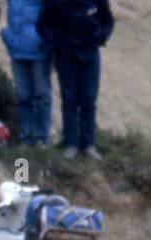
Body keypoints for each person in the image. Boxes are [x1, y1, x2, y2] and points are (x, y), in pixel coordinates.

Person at [38, 0, 113, 159]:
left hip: (90, 53)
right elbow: (43, 24)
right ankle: (71, 144)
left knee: (89, 98)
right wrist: (56, 43)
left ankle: (89, 145)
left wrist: (99, 37)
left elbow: (107, 20)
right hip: (66, 54)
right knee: (69, 98)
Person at [2, 0, 52, 145]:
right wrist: (7, 36)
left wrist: (46, 42)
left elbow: (51, 14)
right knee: (23, 96)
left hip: (40, 53)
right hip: (17, 52)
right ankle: (26, 138)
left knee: (42, 96)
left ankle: (42, 138)